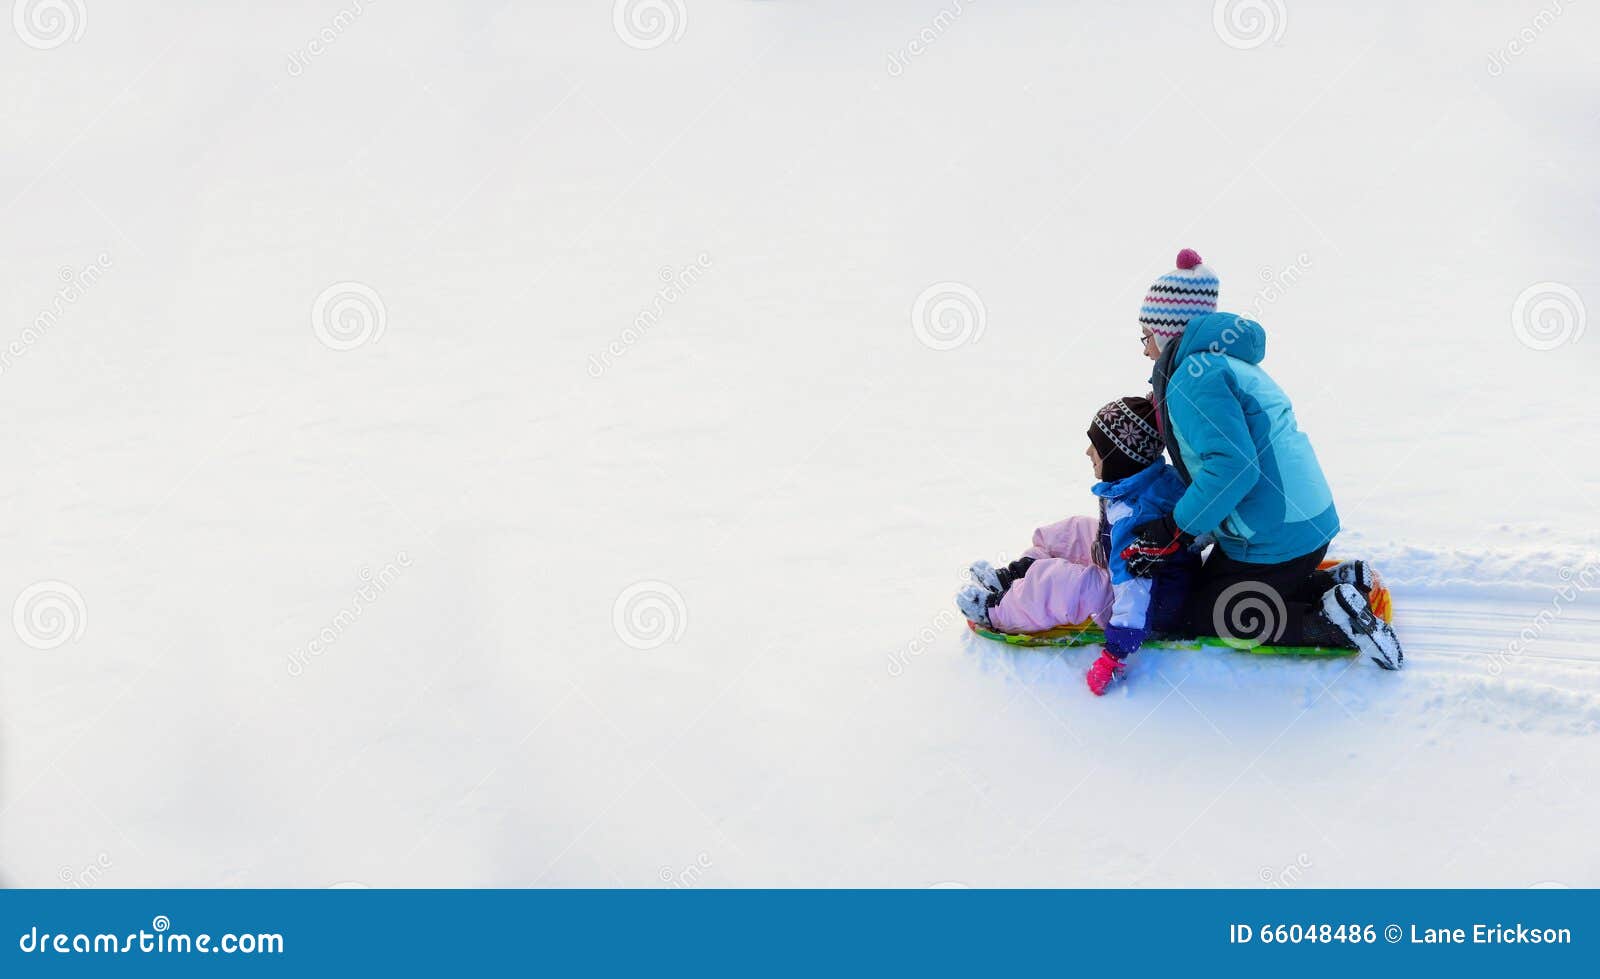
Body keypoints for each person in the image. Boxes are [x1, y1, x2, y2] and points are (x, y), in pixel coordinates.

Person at [1121, 249, 1403, 669]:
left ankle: (1332, 622)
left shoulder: (1192, 381)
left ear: (1165, 332)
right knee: (1207, 589)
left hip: (1277, 535)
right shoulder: (1219, 365)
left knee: (1211, 615)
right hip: (1301, 523)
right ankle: (1335, 583)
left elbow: (1233, 468)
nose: (1144, 351)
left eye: (1145, 336)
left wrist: (1175, 528)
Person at [957, 397, 1199, 695]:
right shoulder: (1147, 480)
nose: (1087, 453)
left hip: (1152, 606)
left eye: (1096, 450)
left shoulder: (1134, 519)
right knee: (1072, 531)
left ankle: (998, 611)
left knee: (1067, 583)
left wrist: (1114, 656)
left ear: (1120, 459)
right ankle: (1015, 575)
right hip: (1151, 576)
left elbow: (1134, 594)